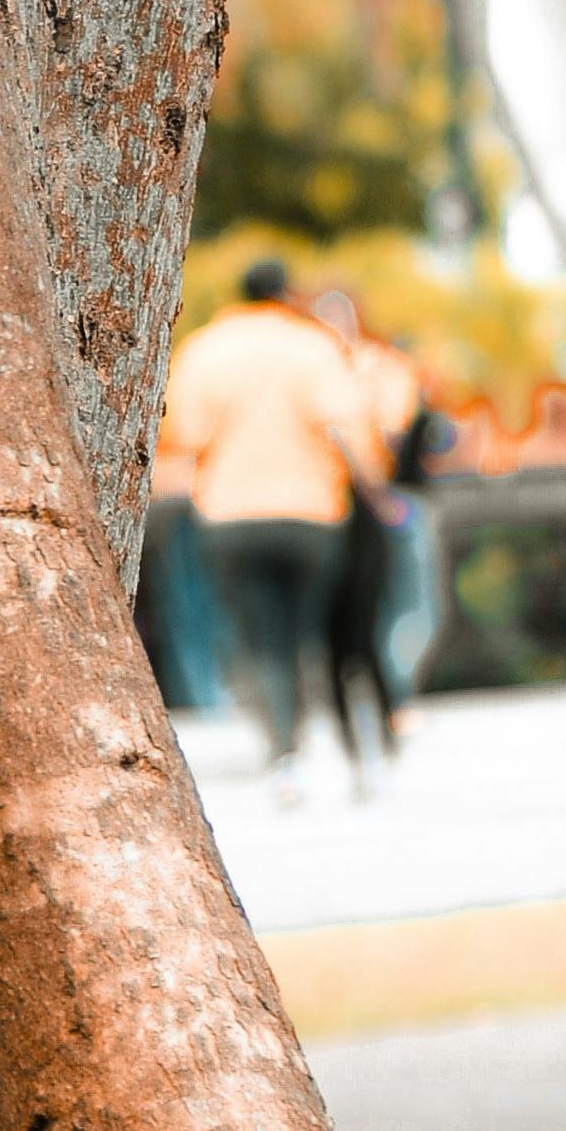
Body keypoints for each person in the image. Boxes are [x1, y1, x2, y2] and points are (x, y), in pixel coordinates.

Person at [159, 257, 377, 782]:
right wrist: (377, 494)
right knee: (307, 631)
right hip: (311, 513)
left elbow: (187, 436)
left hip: (230, 515)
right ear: (285, 293)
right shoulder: (311, 345)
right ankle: (324, 735)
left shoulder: (205, 349)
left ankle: (283, 748)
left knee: (258, 636)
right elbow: (343, 429)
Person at [311, 286, 426, 776]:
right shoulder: (310, 371)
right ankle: (359, 739)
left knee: (389, 613)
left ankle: (392, 708)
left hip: (378, 503)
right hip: (326, 505)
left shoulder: (377, 368)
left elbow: (394, 433)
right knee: (338, 633)